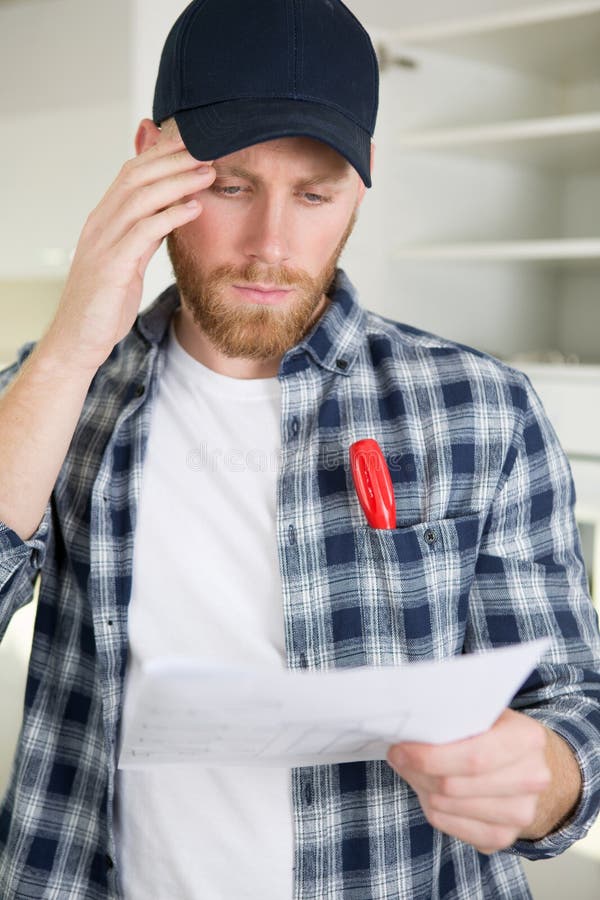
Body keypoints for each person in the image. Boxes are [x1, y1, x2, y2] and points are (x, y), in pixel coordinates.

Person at [0, 0, 599, 897]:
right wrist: (73, 344)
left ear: (362, 185)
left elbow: (573, 708)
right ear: (148, 163)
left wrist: (547, 780)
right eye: (231, 187)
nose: (270, 246)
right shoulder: (51, 395)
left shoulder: (482, 408)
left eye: (315, 194)